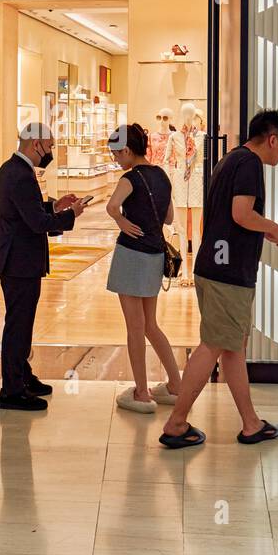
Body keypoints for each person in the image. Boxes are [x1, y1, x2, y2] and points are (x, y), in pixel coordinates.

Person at [159, 109, 278, 448]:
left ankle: (251, 423)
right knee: (212, 346)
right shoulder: (249, 165)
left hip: (215, 268)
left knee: (232, 347)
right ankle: (176, 422)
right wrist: (274, 228)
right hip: (228, 274)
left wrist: (262, 232)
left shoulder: (231, 160)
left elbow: (231, 217)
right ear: (272, 139)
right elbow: (241, 213)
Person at [0, 122, 86, 410]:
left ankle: (23, 376)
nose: (51, 152)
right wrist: (71, 215)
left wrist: (55, 207)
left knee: (22, 323)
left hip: (19, 259)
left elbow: (28, 211)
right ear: (36, 145)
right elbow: (36, 223)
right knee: (18, 325)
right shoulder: (20, 175)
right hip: (19, 261)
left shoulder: (13, 170)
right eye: (50, 146)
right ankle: (12, 389)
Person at [104, 123, 184, 413]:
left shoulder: (130, 178)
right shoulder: (161, 175)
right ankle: (176, 384)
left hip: (130, 255)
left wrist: (123, 222)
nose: (116, 159)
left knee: (134, 329)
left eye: (116, 154)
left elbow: (112, 207)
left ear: (127, 150)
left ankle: (142, 392)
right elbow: (169, 216)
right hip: (154, 255)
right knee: (151, 325)